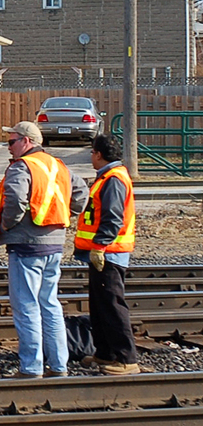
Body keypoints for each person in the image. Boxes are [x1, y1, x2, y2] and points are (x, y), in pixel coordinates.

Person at [0, 121, 88, 379]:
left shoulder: (22, 167)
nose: (8, 147)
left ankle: (31, 367)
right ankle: (58, 366)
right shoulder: (58, 165)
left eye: (11, 142)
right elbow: (80, 194)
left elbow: (16, 200)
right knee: (50, 304)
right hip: (54, 244)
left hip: (26, 245)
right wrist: (65, 214)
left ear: (26, 141)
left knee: (26, 306)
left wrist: (9, 225)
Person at [74, 134, 140, 375]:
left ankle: (126, 359)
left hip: (109, 253)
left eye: (92, 152)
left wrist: (100, 245)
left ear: (99, 155)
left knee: (112, 306)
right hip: (103, 252)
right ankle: (105, 354)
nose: (91, 156)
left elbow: (113, 217)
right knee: (100, 305)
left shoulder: (113, 179)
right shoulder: (109, 177)